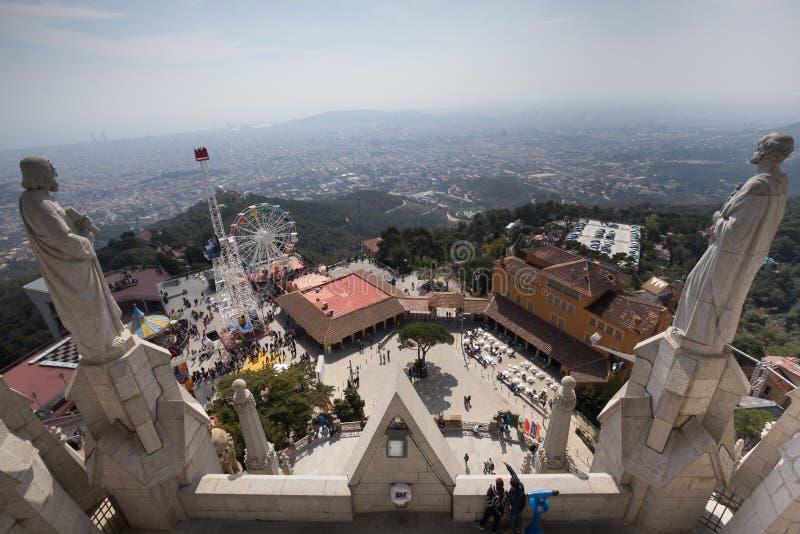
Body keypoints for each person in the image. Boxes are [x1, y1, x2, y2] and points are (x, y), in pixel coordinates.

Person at [504, 461, 526, 534]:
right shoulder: (520, 485)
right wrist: (507, 465)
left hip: (515, 509)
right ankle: (519, 528)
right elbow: (513, 474)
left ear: (513, 486)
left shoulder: (515, 494)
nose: (510, 482)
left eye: (510, 483)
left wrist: (510, 506)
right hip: (520, 508)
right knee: (519, 518)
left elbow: (512, 501)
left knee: (513, 518)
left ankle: (512, 527)